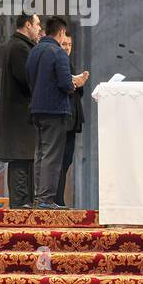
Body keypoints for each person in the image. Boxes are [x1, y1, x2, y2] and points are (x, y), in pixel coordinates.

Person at [25, 16, 88, 209]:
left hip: (37, 109)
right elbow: (64, 84)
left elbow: (29, 77)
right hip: (55, 111)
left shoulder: (34, 51)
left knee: (41, 154)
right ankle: (46, 200)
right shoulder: (58, 52)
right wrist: (75, 83)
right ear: (61, 32)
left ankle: (39, 197)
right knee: (52, 156)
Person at [0, 13, 41, 208]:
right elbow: (28, 80)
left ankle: (24, 209)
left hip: (22, 120)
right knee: (21, 164)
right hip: (19, 120)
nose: (39, 28)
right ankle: (20, 212)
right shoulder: (19, 48)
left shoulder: (21, 46)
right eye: (37, 24)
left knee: (25, 162)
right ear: (28, 25)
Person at [56, 32, 85, 207]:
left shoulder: (68, 63)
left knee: (67, 160)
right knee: (59, 161)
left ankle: (59, 199)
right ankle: (56, 200)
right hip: (62, 121)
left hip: (71, 121)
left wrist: (79, 84)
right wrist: (75, 84)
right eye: (64, 44)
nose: (67, 48)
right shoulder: (59, 63)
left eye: (70, 45)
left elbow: (75, 92)